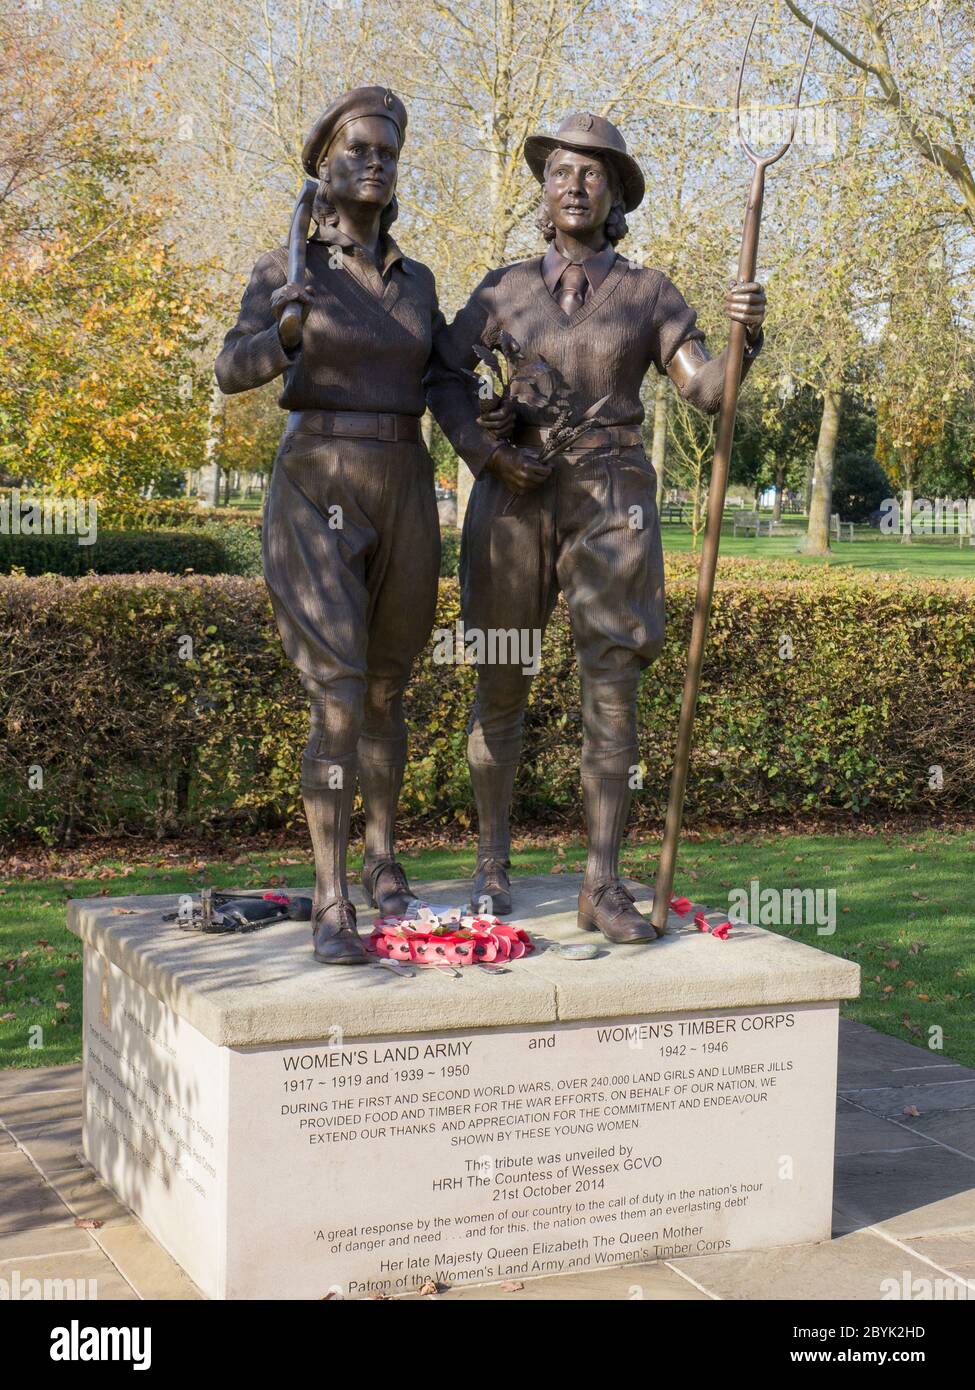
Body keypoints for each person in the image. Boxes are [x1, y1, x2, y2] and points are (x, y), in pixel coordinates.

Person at [426, 111, 766, 944]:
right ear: (542, 193)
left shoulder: (648, 293)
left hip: (612, 501)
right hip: (512, 500)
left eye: (591, 174)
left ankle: (602, 883)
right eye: (558, 174)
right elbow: (440, 376)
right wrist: (481, 448)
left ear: (614, 193)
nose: (573, 185)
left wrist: (743, 338)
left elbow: (707, 390)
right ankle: (491, 864)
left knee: (610, 694)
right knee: (501, 681)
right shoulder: (501, 290)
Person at [216, 87, 444, 964]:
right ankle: (330, 894)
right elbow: (231, 370)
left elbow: (443, 380)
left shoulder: (416, 280)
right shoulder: (288, 269)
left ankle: (386, 863)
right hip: (317, 480)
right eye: (359, 148)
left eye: (388, 149)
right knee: (340, 695)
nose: (376, 161)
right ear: (325, 163)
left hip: (404, 478)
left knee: (389, 684)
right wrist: (282, 333)